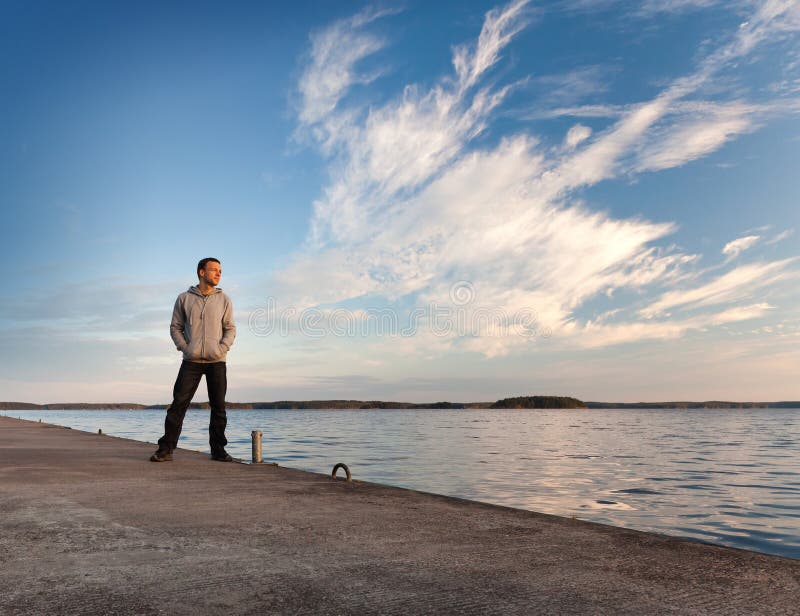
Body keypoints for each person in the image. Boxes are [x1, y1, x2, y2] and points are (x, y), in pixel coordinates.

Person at [150, 258, 236, 462]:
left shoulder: (224, 300)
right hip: (191, 361)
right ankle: (166, 449)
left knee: (219, 407)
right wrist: (185, 347)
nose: (218, 274)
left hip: (217, 361)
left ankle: (218, 451)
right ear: (201, 272)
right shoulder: (184, 298)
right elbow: (175, 327)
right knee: (178, 404)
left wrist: (222, 348)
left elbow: (230, 328)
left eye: (220, 271)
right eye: (214, 270)